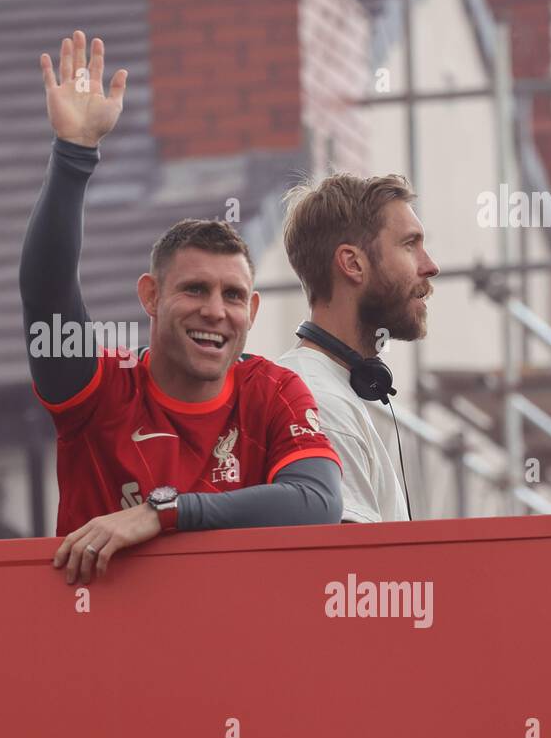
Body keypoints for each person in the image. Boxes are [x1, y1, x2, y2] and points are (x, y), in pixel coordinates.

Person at [21, 30, 343, 585]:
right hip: (98, 649)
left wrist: (164, 513)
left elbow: (315, 502)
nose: (215, 311)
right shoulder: (101, 389)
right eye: (194, 290)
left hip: (228, 656)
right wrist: (73, 155)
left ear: (254, 309)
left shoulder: (272, 392)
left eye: (233, 295)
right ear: (150, 295)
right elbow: (47, 291)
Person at [274, 173, 439, 523]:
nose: (430, 266)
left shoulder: (329, 387)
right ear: (352, 263)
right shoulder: (317, 399)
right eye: (410, 245)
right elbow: (353, 571)